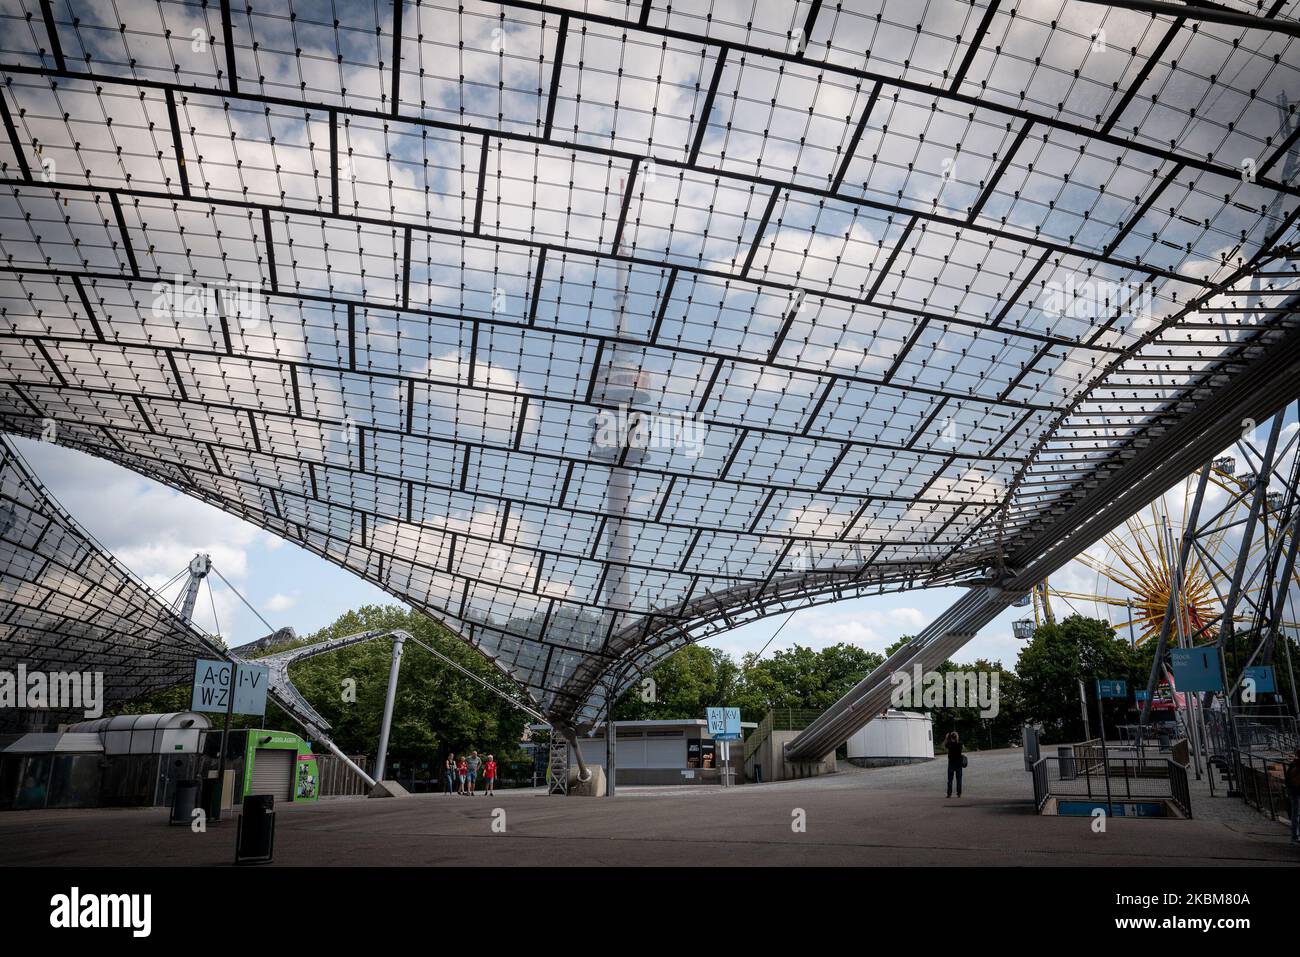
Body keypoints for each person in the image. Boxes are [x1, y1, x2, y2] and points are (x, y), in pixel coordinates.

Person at [1286, 747, 1300, 844]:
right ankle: (1295, 837)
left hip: (1294, 792)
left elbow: (1288, 780)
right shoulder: (1296, 766)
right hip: (1297, 792)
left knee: (1296, 814)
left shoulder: (1293, 764)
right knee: (1296, 814)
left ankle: (1295, 836)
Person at [944, 731, 963, 799]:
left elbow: (945, 745)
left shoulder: (950, 744)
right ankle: (959, 794)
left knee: (950, 780)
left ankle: (949, 794)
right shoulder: (960, 744)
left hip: (951, 764)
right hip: (958, 764)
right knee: (959, 780)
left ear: (951, 737)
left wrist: (946, 737)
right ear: (957, 736)